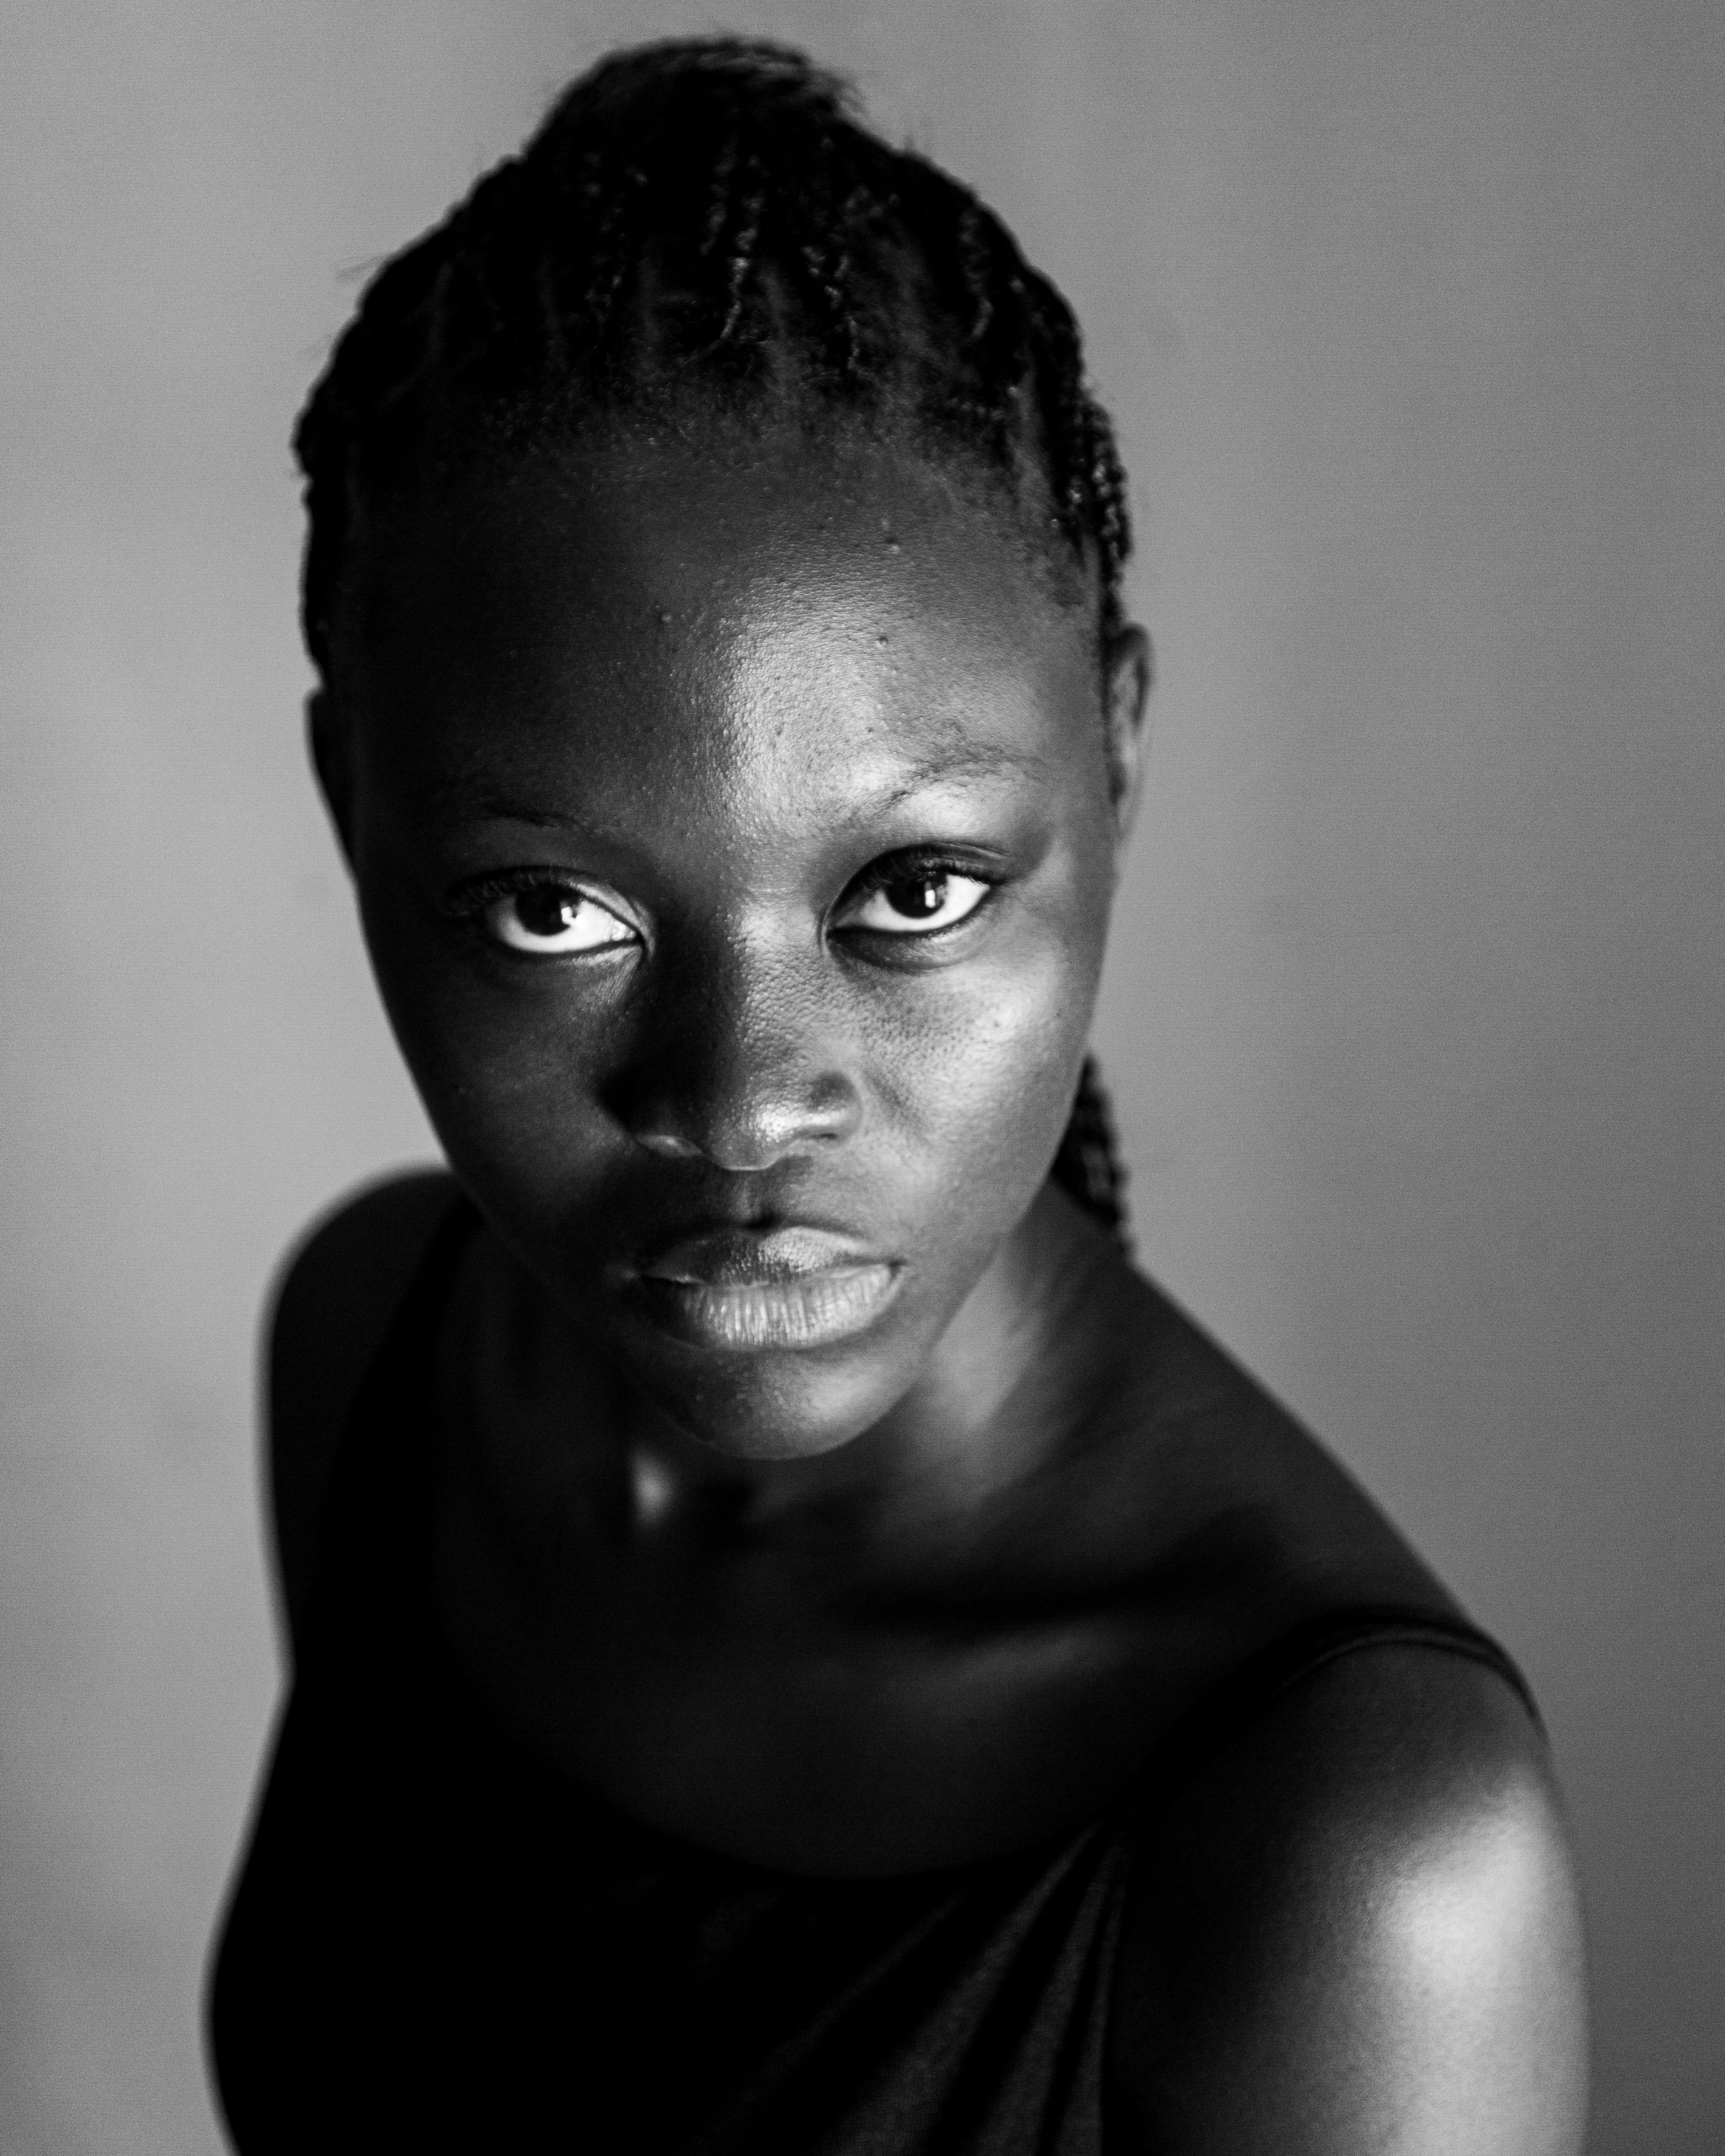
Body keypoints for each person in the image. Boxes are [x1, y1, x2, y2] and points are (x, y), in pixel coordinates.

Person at [208, 37, 1588, 2152]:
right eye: (557, 911)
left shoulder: (1357, 1845)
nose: (742, 1105)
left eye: (915, 892)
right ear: (346, 803)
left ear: (1116, 760)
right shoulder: (376, 1350)